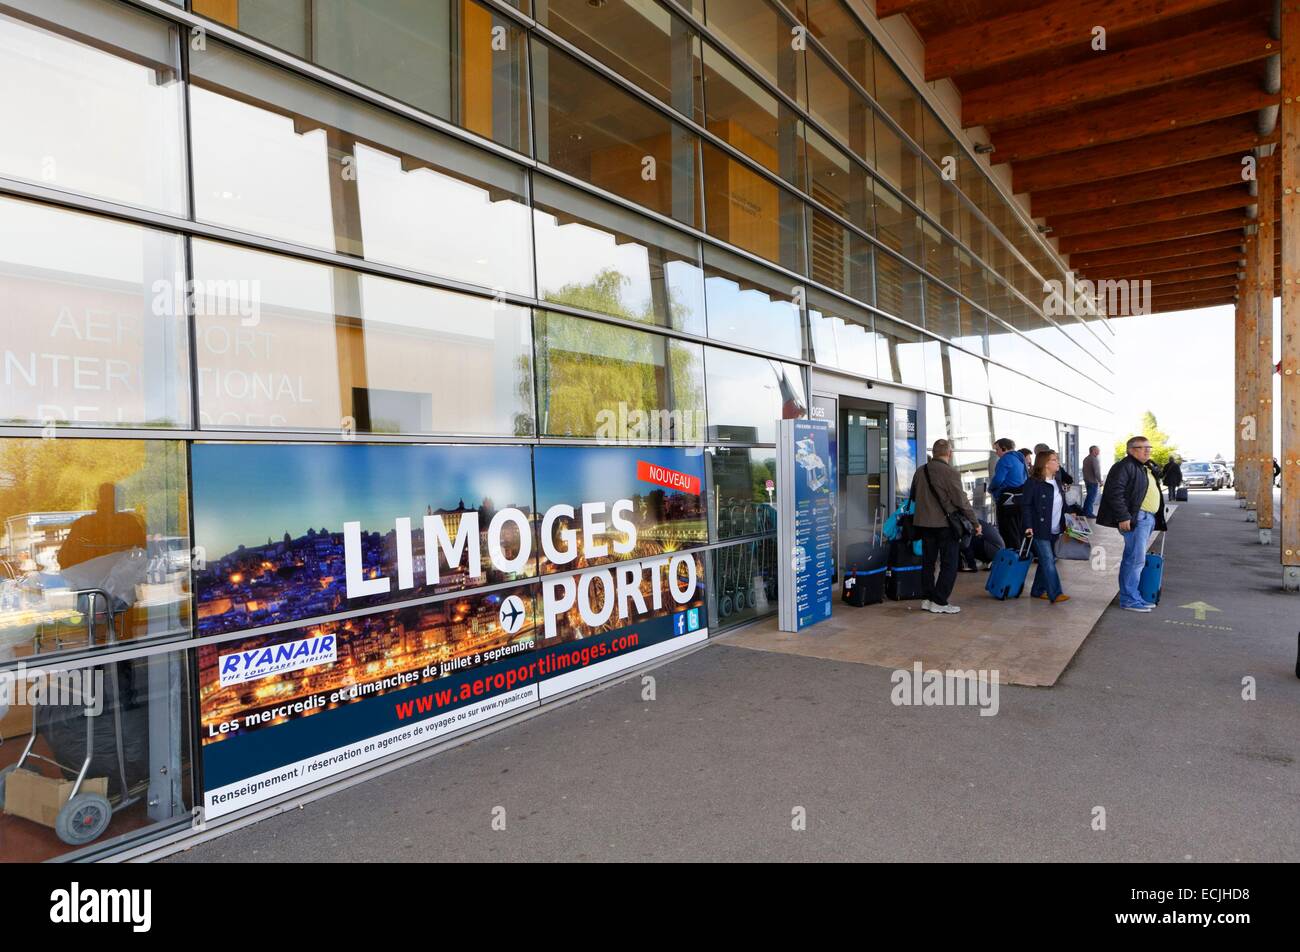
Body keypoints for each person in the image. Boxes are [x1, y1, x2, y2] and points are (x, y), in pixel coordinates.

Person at [1097, 435, 1168, 613]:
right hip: (1137, 519)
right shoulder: (1124, 466)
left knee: (1133, 558)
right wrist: (1123, 516)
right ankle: (1129, 599)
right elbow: (1115, 493)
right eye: (1142, 447)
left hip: (1147, 518)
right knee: (1136, 560)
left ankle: (1132, 596)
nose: (1147, 450)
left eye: (1149, 447)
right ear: (1131, 450)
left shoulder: (1143, 467)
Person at [911, 439, 980, 614]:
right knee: (949, 563)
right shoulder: (950, 473)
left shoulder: (920, 471)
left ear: (933, 453)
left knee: (928, 562)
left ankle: (926, 599)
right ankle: (940, 601)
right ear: (949, 453)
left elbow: (913, 496)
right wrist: (975, 522)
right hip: (945, 525)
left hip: (923, 524)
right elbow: (962, 501)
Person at [1020, 450, 1069, 603]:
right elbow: (1025, 505)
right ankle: (1055, 592)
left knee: (1047, 559)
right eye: (1054, 460)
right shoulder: (1033, 483)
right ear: (1045, 463)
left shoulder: (1057, 480)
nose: (1058, 462)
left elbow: (1062, 504)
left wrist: (1071, 516)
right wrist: (1028, 526)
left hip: (1055, 528)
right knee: (1048, 559)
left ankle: (1037, 590)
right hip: (1038, 528)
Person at [988, 438, 1029, 545]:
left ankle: (1011, 557)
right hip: (1020, 498)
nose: (996, 453)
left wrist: (990, 488)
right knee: (1018, 529)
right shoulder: (1020, 459)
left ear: (1004, 448)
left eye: (997, 449)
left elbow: (998, 479)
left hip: (1007, 500)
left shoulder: (1005, 460)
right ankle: (1020, 553)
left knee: (1007, 531)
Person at [1082, 445, 1103, 518]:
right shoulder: (1094, 459)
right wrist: (1100, 481)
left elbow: (1084, 470)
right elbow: (1097, 472)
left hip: (1087, 481)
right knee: (1091, 498)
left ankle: (1085, 512)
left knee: (1089, 497)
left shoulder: (1086, 459)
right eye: (1098, 450)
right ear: (1093, 451)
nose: (1099, 452)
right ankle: (1088, 513)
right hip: (1092, 481)